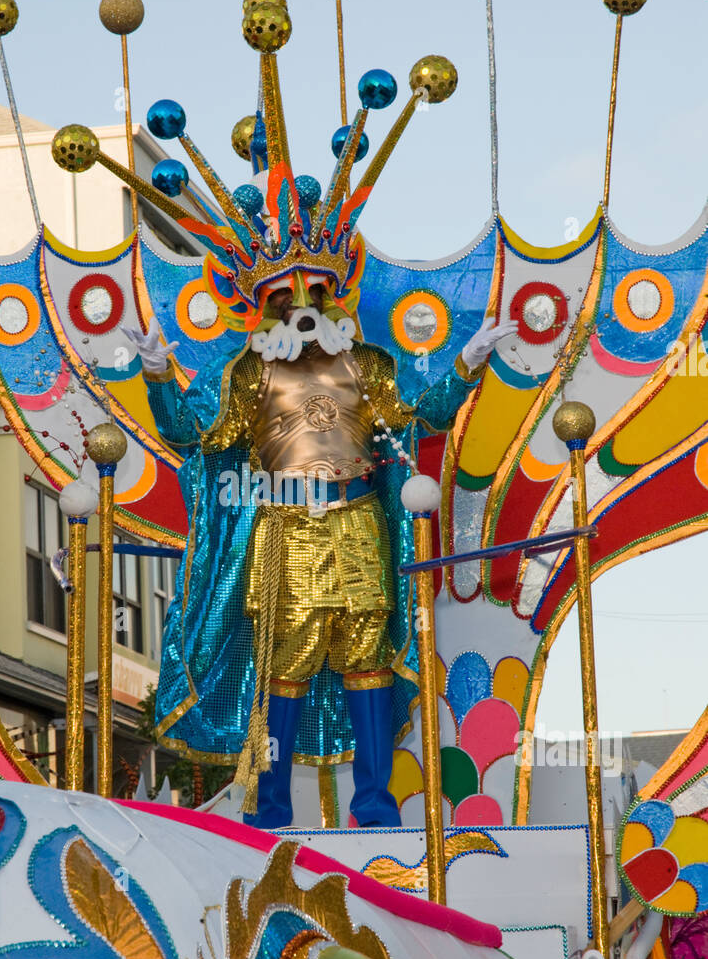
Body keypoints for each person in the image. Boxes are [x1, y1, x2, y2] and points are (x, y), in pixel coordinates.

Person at [128, 272, 511, 829]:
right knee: (285, 666)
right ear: (263, 307)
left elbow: (420, 416)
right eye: (286, 297)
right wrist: (158, 376)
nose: (303, 307)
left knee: (368, 661)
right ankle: (271, 808)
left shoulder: (368, 365)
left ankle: (376, 808)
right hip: (287, 527)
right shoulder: (249, 372)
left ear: (338, 300)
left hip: (360, 523)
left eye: (317, 294)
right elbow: (192, 434)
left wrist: (465, 367)